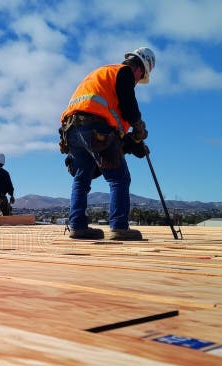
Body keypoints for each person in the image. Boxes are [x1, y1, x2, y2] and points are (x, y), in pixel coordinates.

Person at [58, 47, 155, 240]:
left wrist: (133, 143)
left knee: (81, 178)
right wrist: (138, 124)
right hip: (94, 126)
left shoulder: (103, 76)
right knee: (119, 178)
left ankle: (77, 226)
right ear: (139, 69)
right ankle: (119, 227)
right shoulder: (124, 72)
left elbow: (115, 138)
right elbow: (129, 105)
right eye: (140, 76)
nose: (137, 81)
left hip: (72, 129)